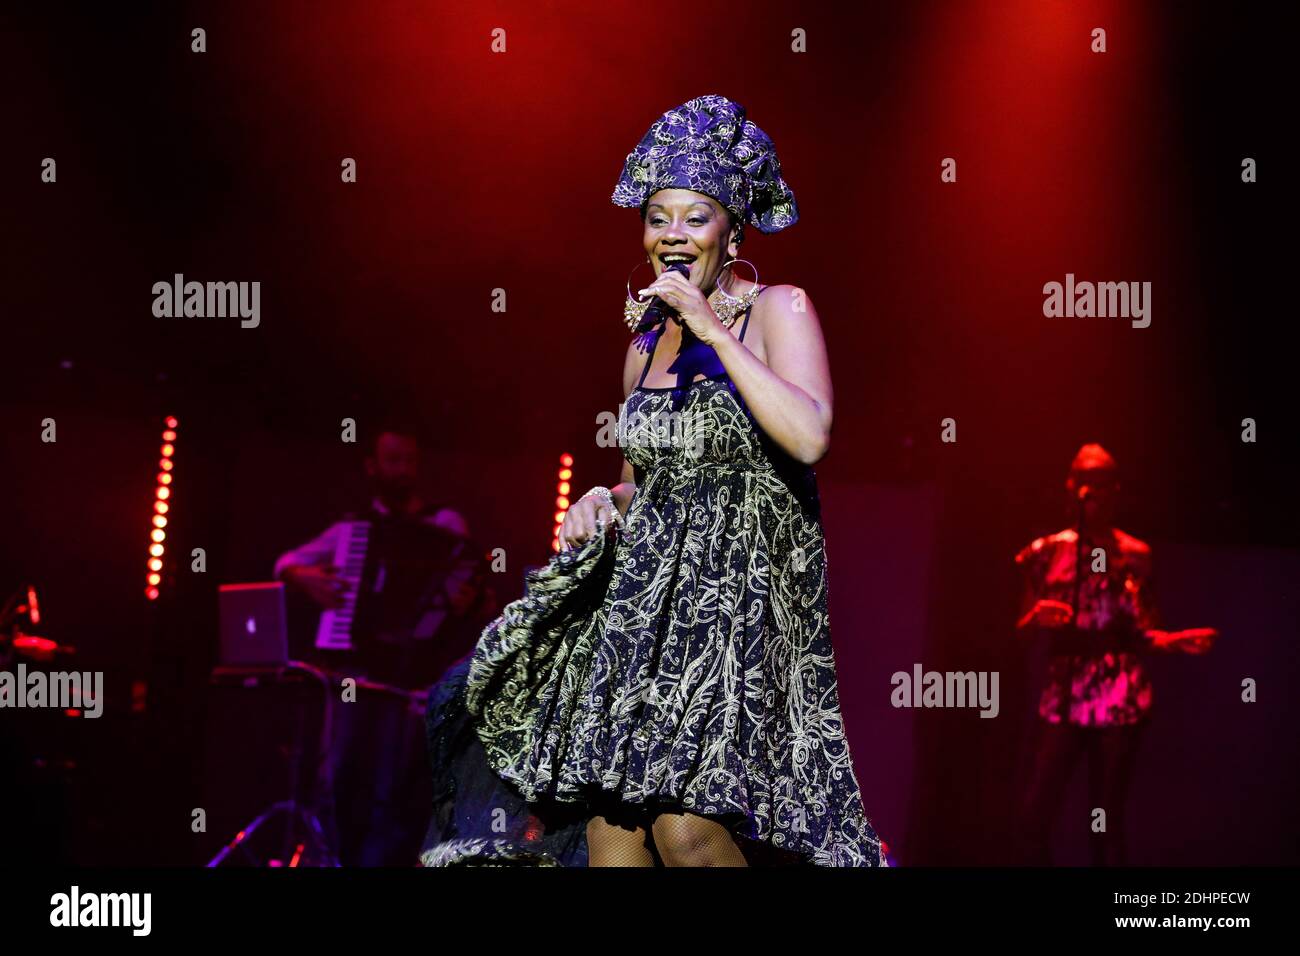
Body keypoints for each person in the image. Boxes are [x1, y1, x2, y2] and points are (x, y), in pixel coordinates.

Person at [427, 94, 886, 867]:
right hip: (645, 611)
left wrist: (709, 326)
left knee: (688, 831)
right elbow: (646, 483)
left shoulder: (777, 309)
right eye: (658, 216)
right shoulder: (642, 347)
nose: (672, 233)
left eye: (695, 216)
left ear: (732, 229)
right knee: (615, 836)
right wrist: (604, 499)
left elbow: (810, 434)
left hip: (737, 605)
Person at [274, 423, 496, 865]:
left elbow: (476, 597)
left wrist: (466, 602)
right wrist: (309, 579)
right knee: (344, 777)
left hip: (418, 682)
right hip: (359, 676)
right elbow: (286, 564)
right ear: (372, 467)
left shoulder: (446, 526)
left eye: (409, 461)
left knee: (400, 787)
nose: (402, 471)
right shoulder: (351, 530)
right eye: (392, 461)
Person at [1014, 443, 1218, 865]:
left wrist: (1172, 640)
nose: (1095, 491)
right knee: (1035, 812)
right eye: (1086, 481)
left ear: (1116, 491)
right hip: (1064, 693)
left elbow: (1144, 629)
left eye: (1104, 484)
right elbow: (1019, 628)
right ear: (1071, 487)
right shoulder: (1046, 552)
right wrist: (1037, 617)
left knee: (1105, 815)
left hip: (1119, 695)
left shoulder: (1134, 554)